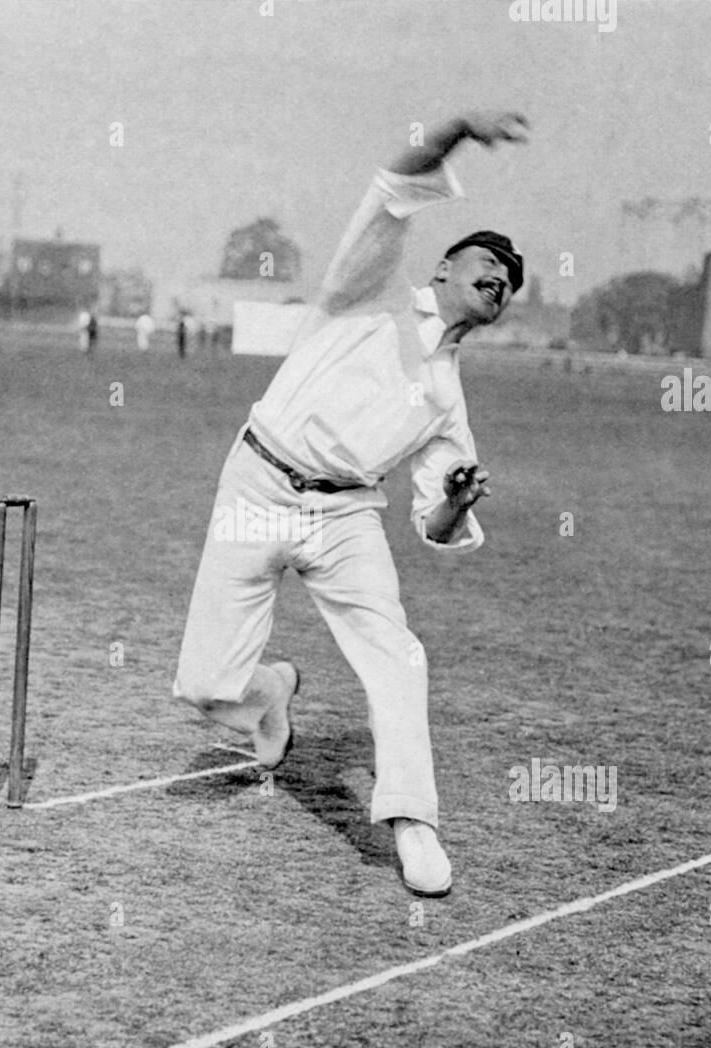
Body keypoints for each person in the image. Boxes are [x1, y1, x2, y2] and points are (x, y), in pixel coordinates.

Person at [172, 111, 529, 897]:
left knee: (401, 656)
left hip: (346, 517)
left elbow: (434, 525)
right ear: (442, 270)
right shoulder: (369, 290)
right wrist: (461, 125)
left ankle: (413, 823)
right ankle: (269, 694)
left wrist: (455, 503)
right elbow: (396, 184)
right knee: (203, 685)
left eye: (510, 281)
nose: (501, 274)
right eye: (487, 261)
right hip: (260, 483)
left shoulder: (447, 399)